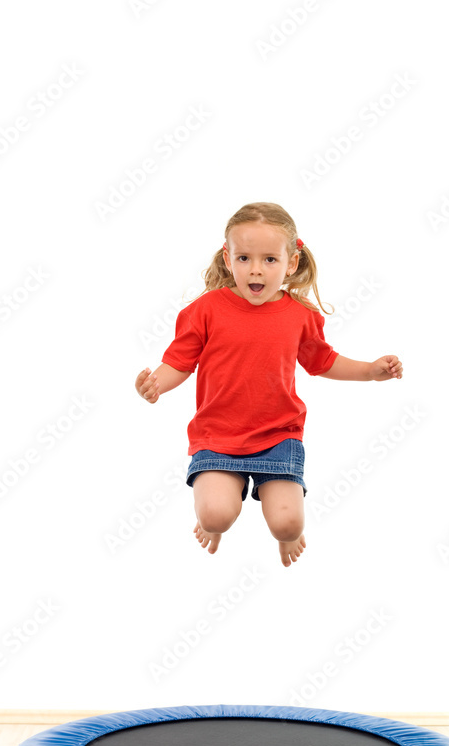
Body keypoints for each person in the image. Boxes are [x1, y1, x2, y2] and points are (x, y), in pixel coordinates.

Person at [136, 202, 402, 567]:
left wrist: (370, 370)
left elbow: (323, 361)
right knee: (216, 515)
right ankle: (214, 522)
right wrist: (156, 384)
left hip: (278, 436)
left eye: (269, 260)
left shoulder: (300, 314)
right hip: (218, 436)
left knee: (287, 525)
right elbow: (179, 363)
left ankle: (286, 536)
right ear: (228, 259)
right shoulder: (205, 310)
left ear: (291, 263)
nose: (256, 269)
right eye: (244, 258)